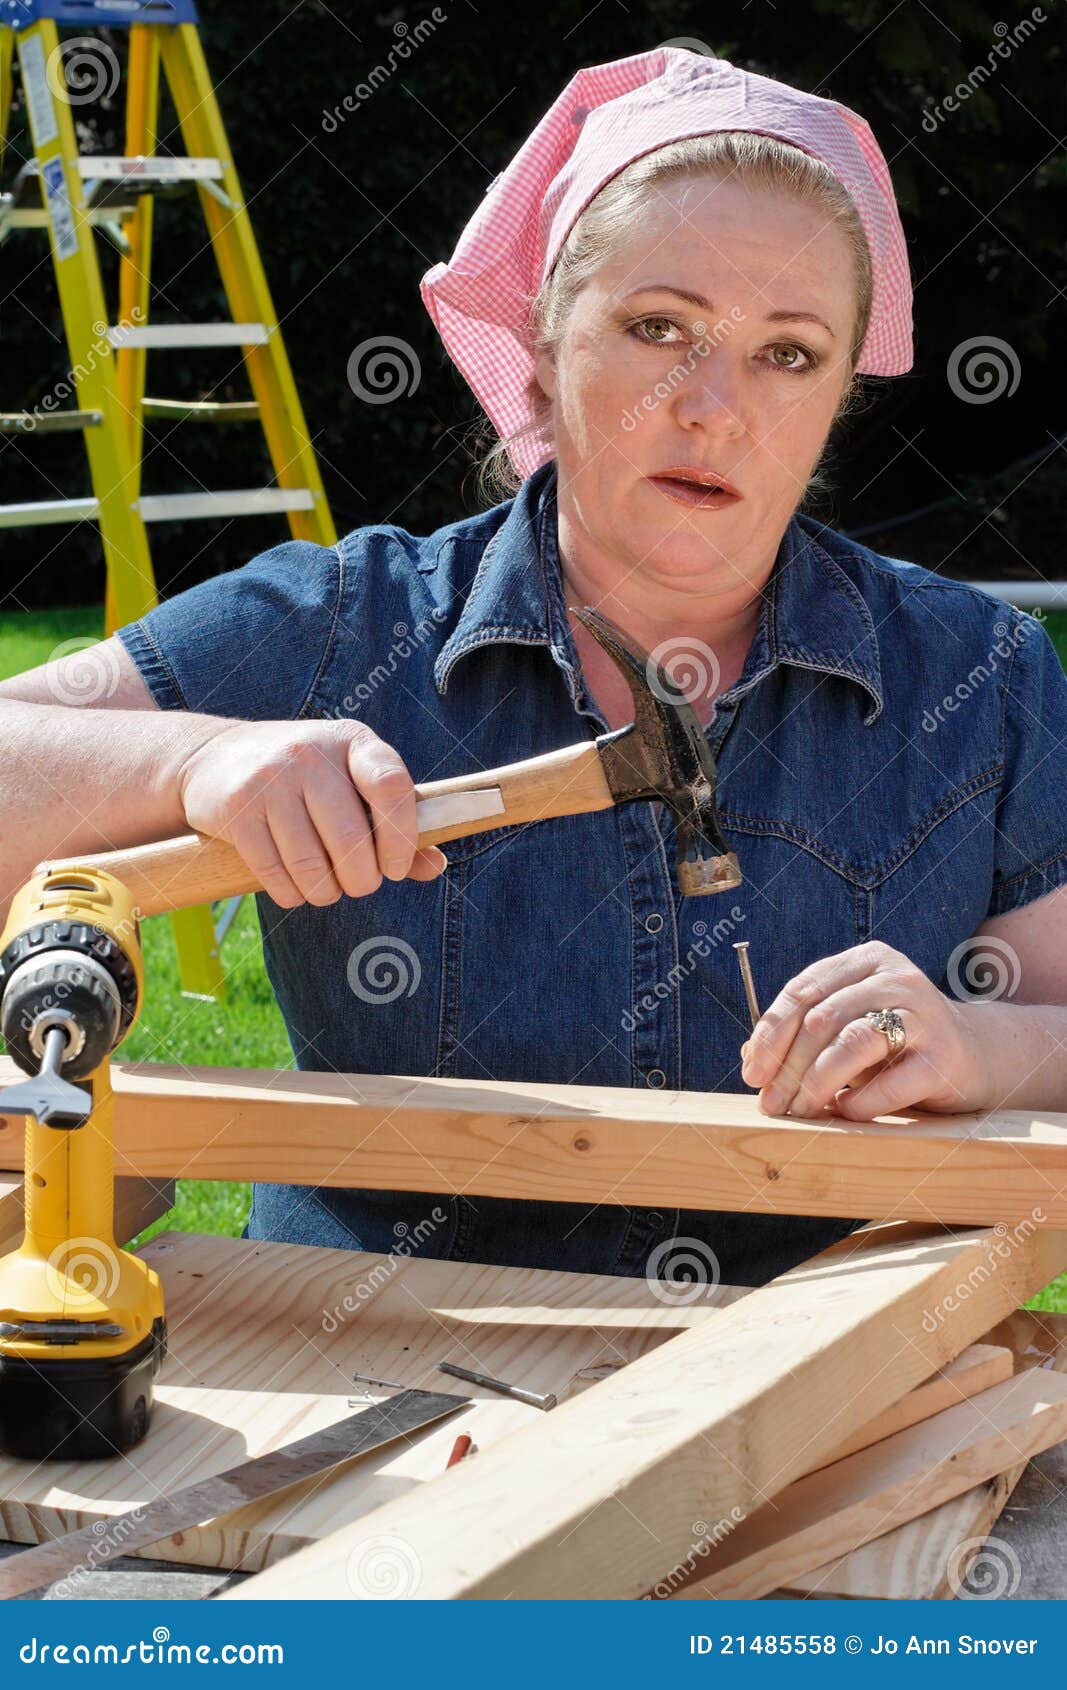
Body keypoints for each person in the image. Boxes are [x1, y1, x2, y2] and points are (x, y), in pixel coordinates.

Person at [2, 48, 1065, 1288]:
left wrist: (982, 1046)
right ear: (547, 349)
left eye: (785, 352)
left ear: (837, 393)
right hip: (377, 1384)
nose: (711, 404)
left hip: (829, 1407)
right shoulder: (346, 629)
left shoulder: (973, 675)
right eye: (656, 326)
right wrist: (202, 758)